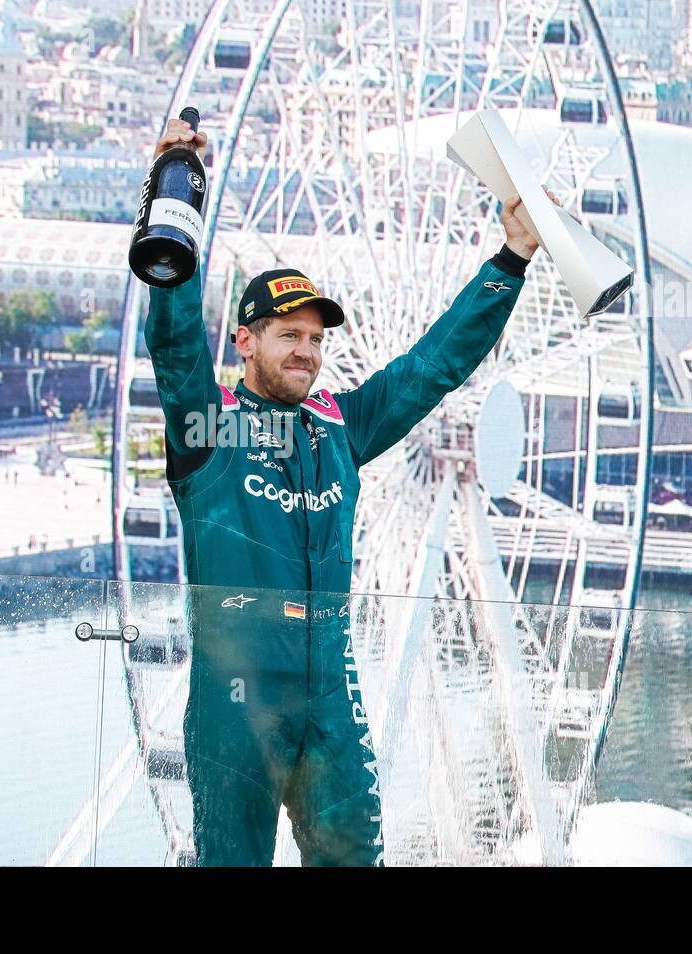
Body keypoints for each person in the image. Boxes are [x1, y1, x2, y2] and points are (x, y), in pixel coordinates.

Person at [142, 117, 551, 867]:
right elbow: (171, 346)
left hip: (330, 698)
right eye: (287, 334)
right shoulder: (210, 429)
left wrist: (512, 258)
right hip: (234, 706)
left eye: (317, 338)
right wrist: (175, 200)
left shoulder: (339, 429)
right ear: (244, 342)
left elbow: (432, 366)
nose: (307, 351)